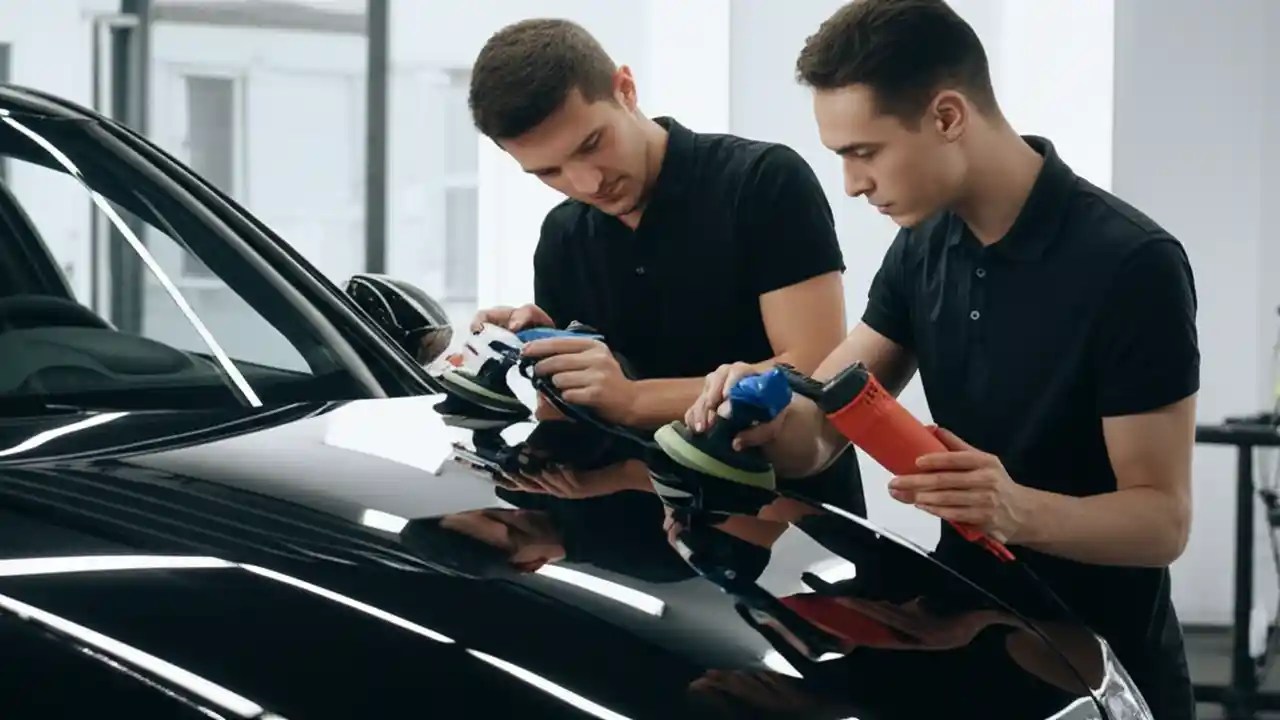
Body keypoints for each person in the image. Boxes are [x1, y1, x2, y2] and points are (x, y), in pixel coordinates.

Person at [686, 1, 1199, 717]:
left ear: (948, 117)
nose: (853, 184)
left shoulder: (1133, 264)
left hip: (1097, 673)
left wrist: (1016, 510)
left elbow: (1162, 523)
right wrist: (758, 414)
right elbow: (824, 424)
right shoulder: (923, 245)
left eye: (863, 152)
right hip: (958, 641)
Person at [465, 18, 865, 513]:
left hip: (786, 531)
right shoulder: (563, 235)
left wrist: (632, 399)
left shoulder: (763, 183)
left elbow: (813, 371)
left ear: (626, 90)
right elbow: (571, 417)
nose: (587, 183)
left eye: (591, 144)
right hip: (630, 537)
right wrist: (539, 356)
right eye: (548, 171)